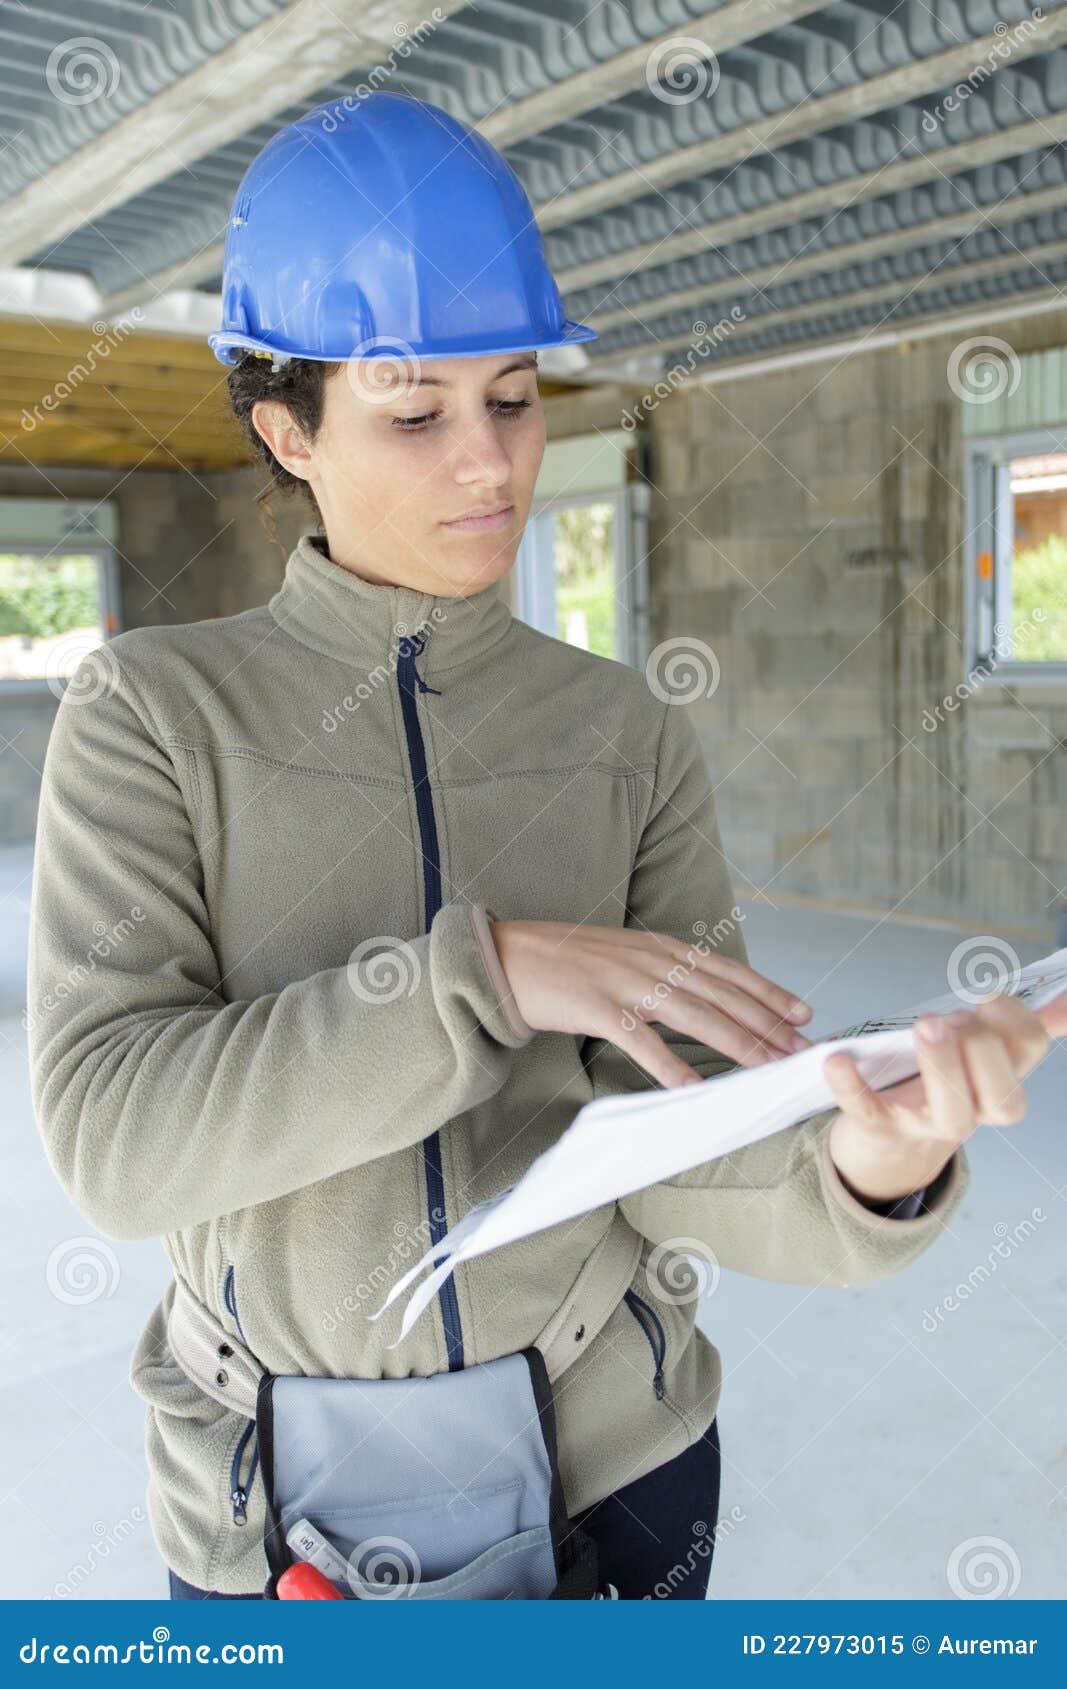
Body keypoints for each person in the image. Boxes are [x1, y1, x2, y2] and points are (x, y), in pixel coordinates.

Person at [26, 92, 1061, 1603]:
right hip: (272, 1510)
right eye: (415, 410)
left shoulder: (625, 731)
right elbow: (119, 1140)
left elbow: (684, 1130)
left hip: (614, 1482)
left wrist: (863, 1158)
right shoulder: (153, 714)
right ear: (285, 428)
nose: (489, 464)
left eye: (512, 398)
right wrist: (483, 975)